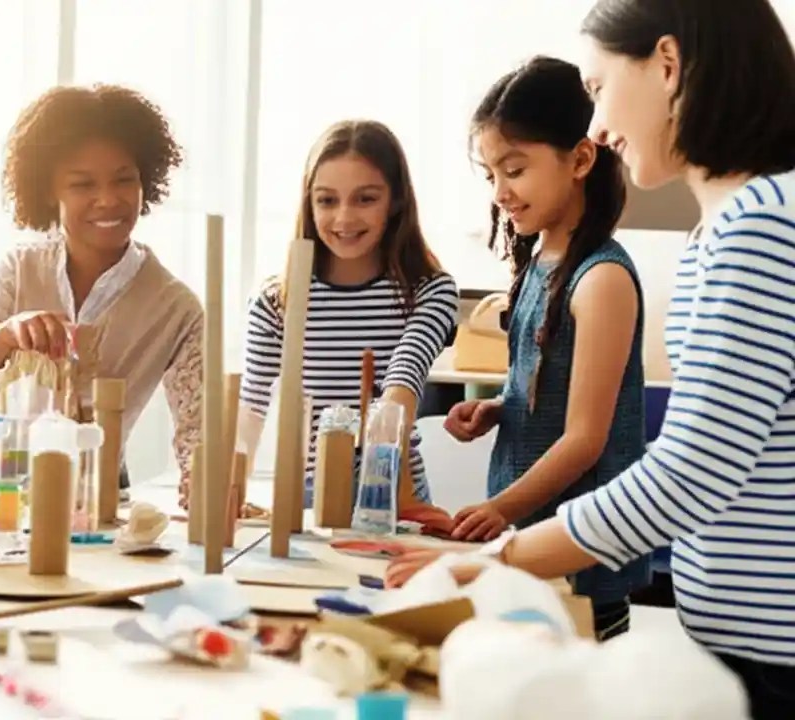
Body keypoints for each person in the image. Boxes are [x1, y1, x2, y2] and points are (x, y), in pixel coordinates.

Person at [387, 0, 795, 714]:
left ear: (667, 66)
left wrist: (498, 555)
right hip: (743, 644)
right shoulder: (727, 229)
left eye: (600, 87)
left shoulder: (761, 224)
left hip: (774, 654)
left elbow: (690, 473)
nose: (599, 126)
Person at [446, 55, 650, 639]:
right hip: (529, 547)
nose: (501, 192)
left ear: (581, 158)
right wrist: (497, 409)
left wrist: (499, 510)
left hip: (577, 559)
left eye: (514, 169)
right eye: (490, 176)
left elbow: (586, 440)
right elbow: (551, 391)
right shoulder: (540, 262)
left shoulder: (602, 279)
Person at [0, 84, 202, 507]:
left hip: (100, 497)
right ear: (49, 190)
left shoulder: (176, 307)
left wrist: (201, 483)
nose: (108, 199)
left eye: (124, 180)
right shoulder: (19, 269)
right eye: (82, 184)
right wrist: (6, 336)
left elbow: (198, 433)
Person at [240, 120, 458, 508]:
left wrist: (388, 475)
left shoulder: (430, 291)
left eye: (365, 199)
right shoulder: (277, 300)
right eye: (327, 200)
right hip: (310, 497)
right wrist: (228, 488)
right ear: (309, 203)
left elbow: (403, 379)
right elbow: (251, 407)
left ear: (395, 201)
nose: (343, 218)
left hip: (395, 490)